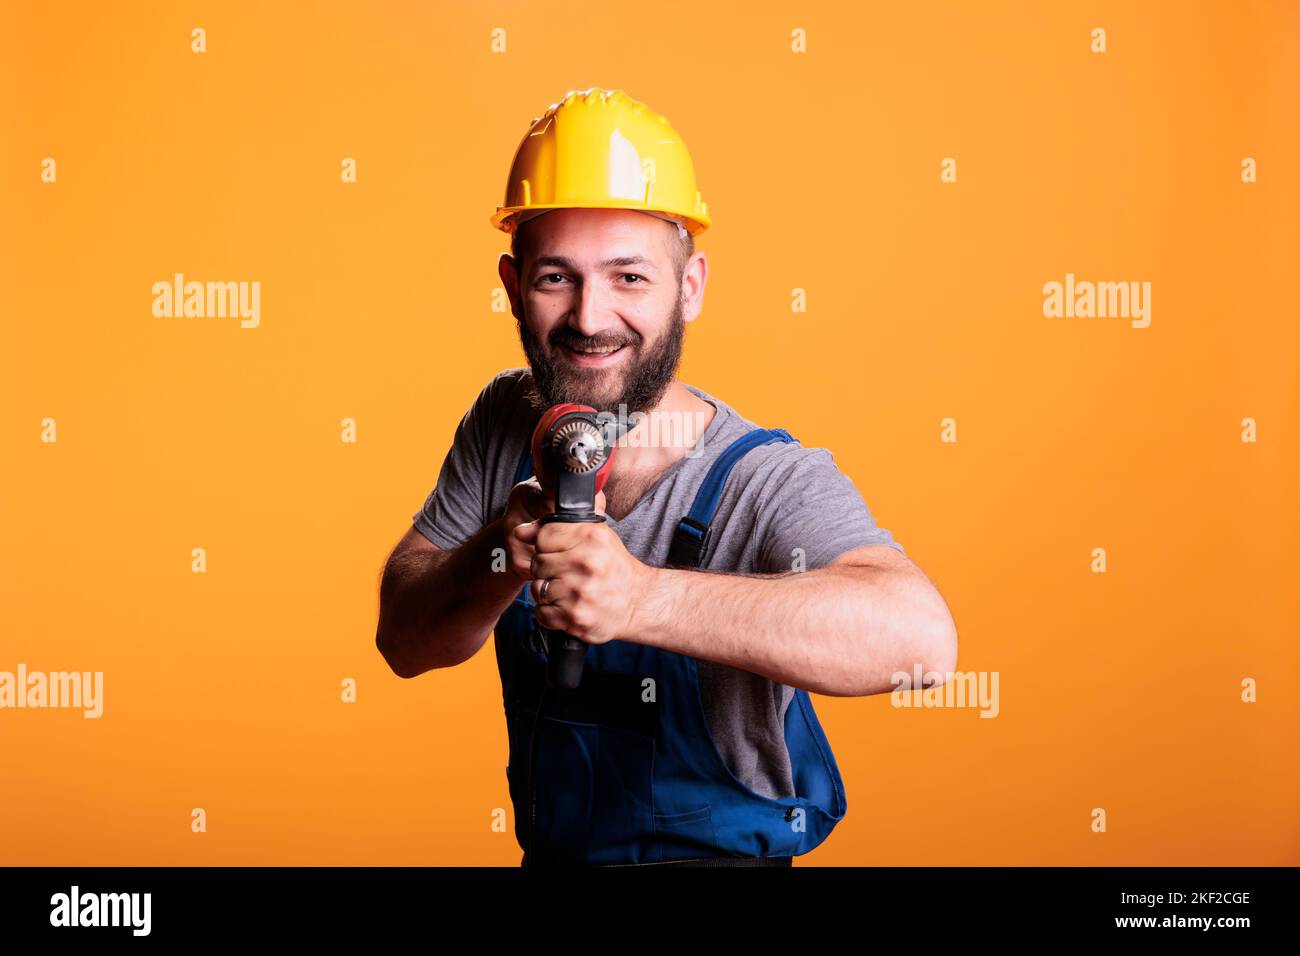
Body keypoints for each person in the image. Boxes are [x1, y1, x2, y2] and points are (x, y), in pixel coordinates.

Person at [376, 88, 957, 867]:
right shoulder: (506, 420)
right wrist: (499, 552)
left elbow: (921, 641)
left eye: (629, 278)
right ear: (514, 286)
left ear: (690, 288)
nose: (590, 317)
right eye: (557, 278)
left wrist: (645, 598)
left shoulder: (762, 480)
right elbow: (403, 639)